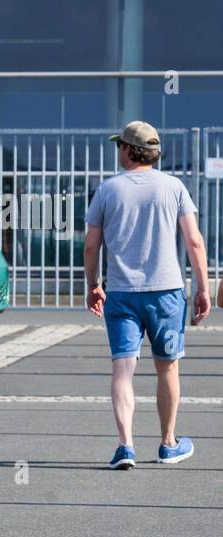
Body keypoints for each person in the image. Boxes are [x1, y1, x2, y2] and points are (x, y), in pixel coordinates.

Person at [84, 120, 212, 469]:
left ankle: (125, 446)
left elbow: (91, 246)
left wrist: (93, 285)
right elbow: (194, 241)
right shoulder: (174, 188)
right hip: (167, 292)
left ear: (127, 150)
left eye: (119, 146)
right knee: (167, 367)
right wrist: (203, 288)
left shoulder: (107, 190)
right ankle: (168, 443)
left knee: (122, 369)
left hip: (122, 293)